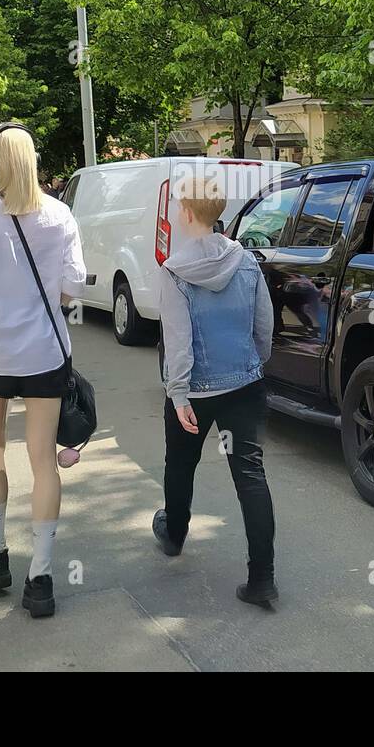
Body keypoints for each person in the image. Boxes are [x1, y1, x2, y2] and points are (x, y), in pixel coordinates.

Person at [0, 123, 86, 618]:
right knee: (44, 458)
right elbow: (73, 286)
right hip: (44, 353)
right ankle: (42, 578)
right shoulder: (60, 213)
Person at [152, 175, 278, 607]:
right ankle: (262, 578)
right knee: (251, 476)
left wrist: (179, 394)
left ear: (186, 214)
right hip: (245, 383)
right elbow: (264, 326)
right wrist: (254, 364)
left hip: (198, 391)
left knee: (181, 465)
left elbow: (179, 340)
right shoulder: (246, 260)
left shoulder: (174, 271)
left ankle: (174, 534)